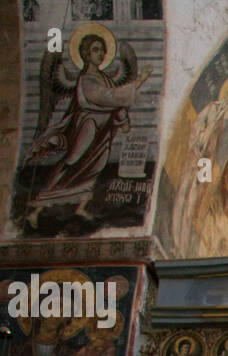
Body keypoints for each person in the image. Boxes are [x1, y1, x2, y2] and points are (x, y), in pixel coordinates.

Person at [25, 32, 152, 224]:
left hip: (103, 129)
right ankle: (37, 209)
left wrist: (123, 120)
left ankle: (81, 207)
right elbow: (107, 97)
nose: (100, 54)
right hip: (88, 125)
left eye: (102, 50)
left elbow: (116, 103)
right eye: (95, 50)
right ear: (85, 54)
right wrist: (139, 82)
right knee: (73, 160)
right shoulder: (86, 79)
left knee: (96, 166)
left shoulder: (106, 78)